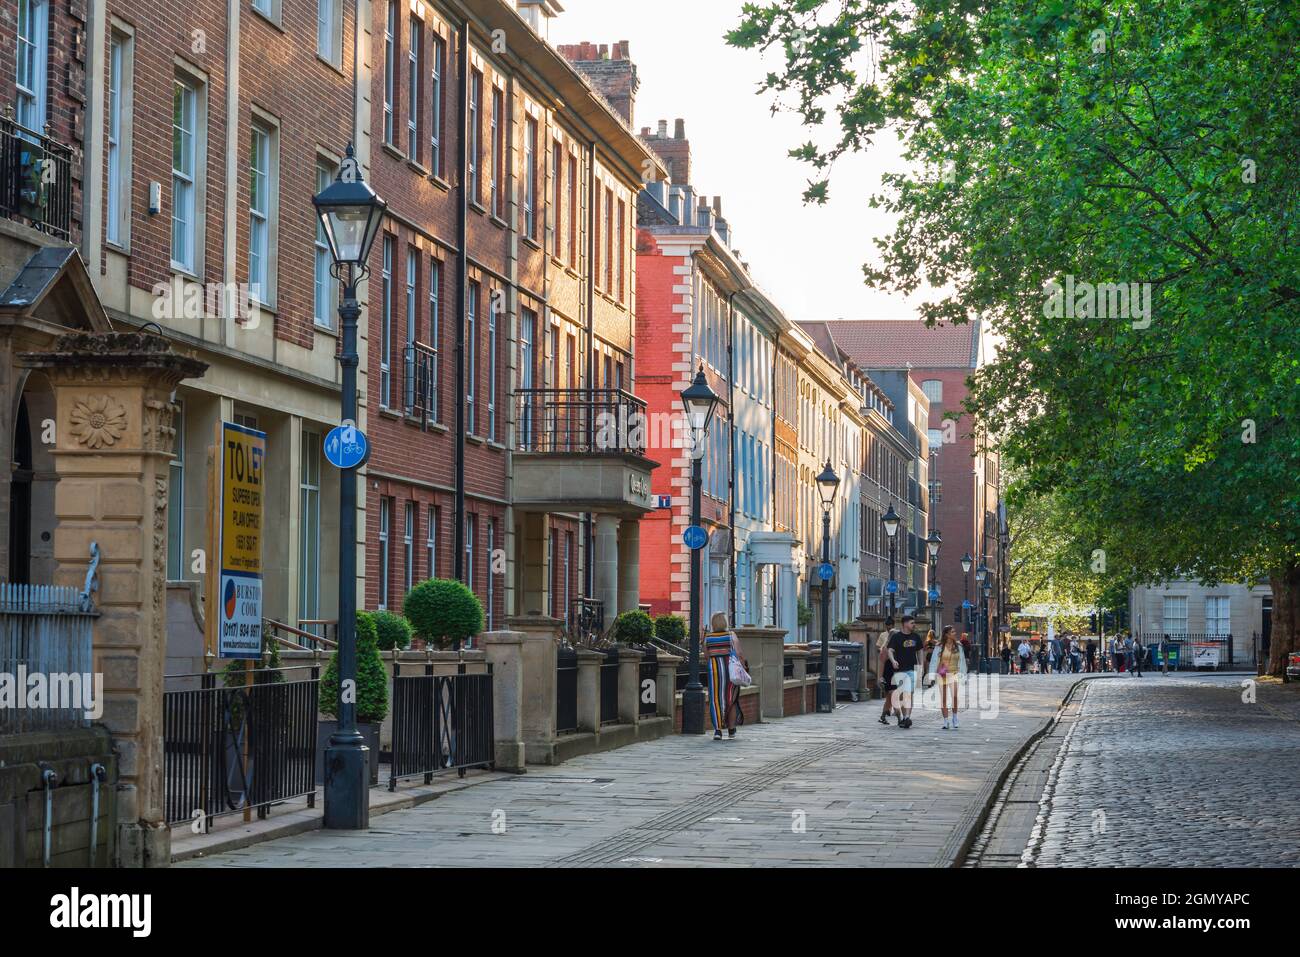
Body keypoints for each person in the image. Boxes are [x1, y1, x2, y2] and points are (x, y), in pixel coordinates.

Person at [705, 611, 743, 740]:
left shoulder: (708, 637)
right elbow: (738, 652)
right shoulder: (731, 635)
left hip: (714, 671)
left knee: (715, 699)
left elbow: (706, 656)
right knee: (730, 699)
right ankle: (731, 729)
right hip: (730, 671)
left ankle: (718, 730)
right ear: (725, 622)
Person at [886, 615, 924, 728]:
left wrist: (920, 665)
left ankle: (907, 717)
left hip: (912, 669)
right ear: (905, 624)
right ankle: (904, 717)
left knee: (910, 694)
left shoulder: (916, 636)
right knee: (903, 695)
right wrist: (893, 661)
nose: (914, 625)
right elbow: (890, 650)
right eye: (912, 623)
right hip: (900, 670)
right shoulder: (896, 637)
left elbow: (920, 651)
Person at [927, 625, 967, 729]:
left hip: (954, 673)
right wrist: (931, 675)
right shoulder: (939, 646)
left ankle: (955, 717)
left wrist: (964, 675)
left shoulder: (958, 646)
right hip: (942, 674)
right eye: (952, 632)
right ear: (947, 634)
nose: (955, 633)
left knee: (954, 697)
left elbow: (962, 661)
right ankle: (945, 721)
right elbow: (934, 661)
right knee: (943, 698)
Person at [877, 616, 896, 725]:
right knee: (891, 694)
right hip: (889, 671)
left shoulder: (896, 641)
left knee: (890, 695)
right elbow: (882, 658)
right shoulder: (884, 640)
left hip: (895, 672)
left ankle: (885, 714)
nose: (888, 628)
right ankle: (899, 717)